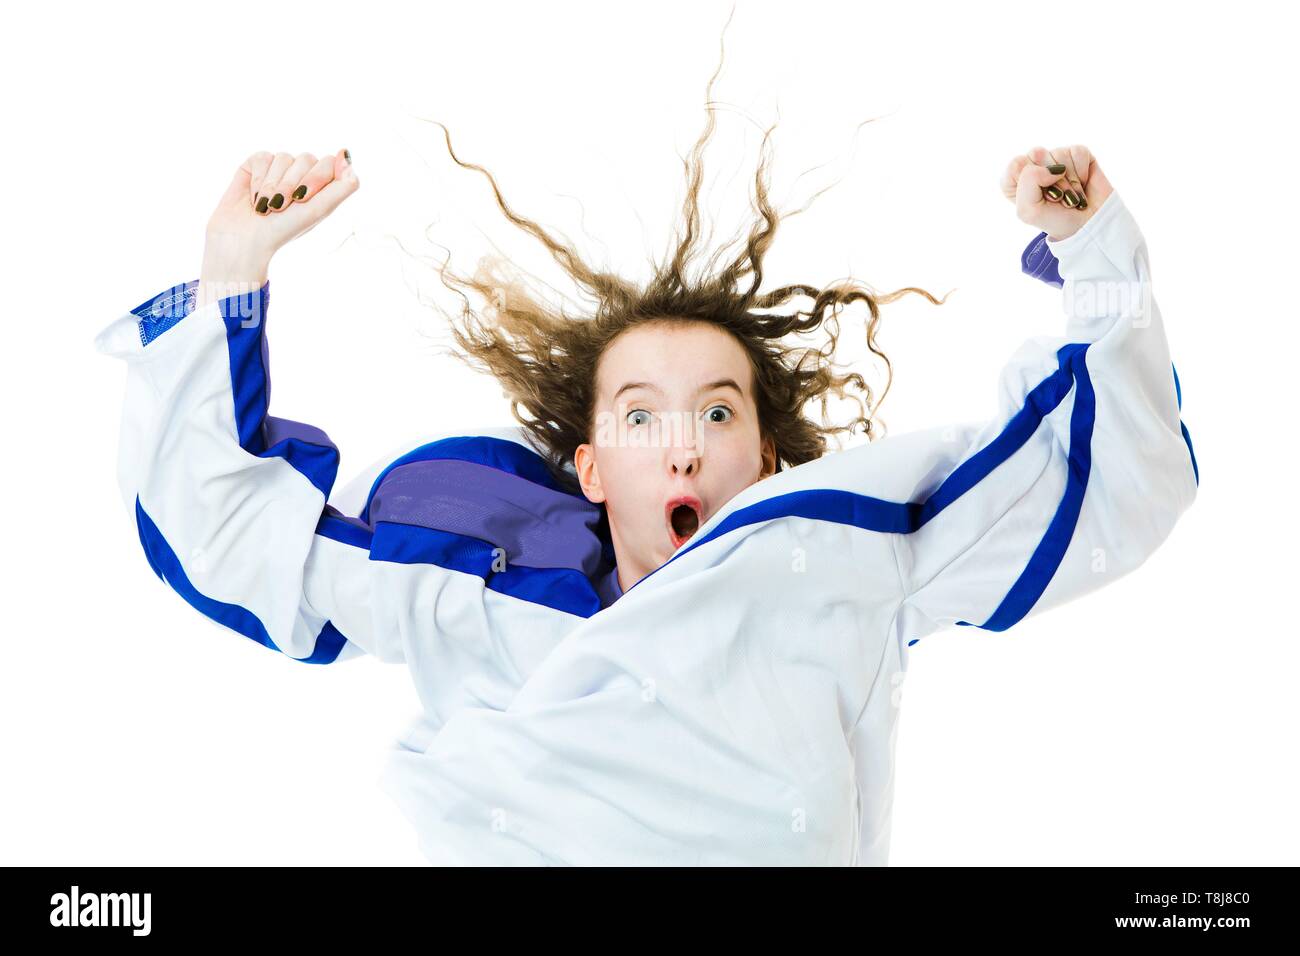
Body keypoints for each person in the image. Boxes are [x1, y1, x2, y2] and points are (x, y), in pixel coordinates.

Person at [94, 110, 1199, 863]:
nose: (684, 447)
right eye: (643, 416)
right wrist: (232, 270)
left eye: (719, 411)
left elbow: (1105, 488)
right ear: (589, 468)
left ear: (766, 460)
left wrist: (1095, 249)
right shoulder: (470, 585)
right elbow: (228, 531)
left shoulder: (848, 557)